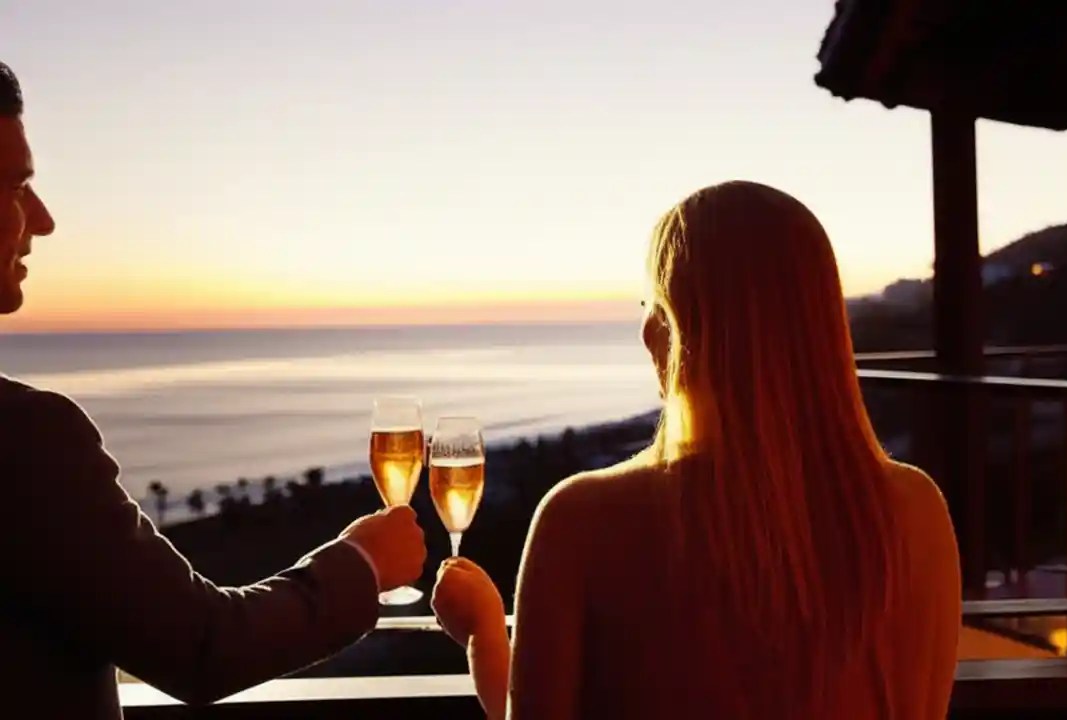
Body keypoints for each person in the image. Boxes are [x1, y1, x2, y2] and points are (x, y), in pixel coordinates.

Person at [431, 181, 961, 718]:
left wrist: (483, 635)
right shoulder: (917, 510)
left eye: (651, 303)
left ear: (669, 331)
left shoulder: (582, 520)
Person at [0, 61, 428, 720]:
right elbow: (204, 645)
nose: (44, 220)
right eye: (16, 184)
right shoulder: (26, 440)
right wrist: (362, 563)